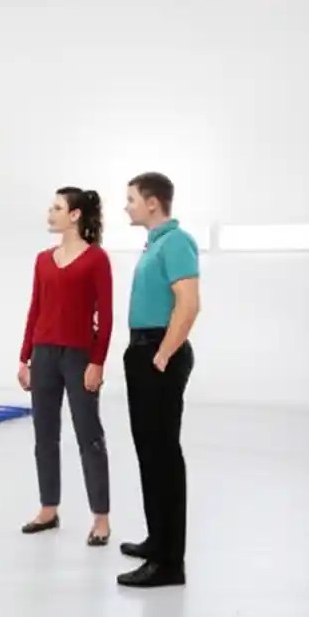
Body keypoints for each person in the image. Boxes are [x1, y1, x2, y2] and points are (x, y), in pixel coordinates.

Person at [17, 187, 114, 547]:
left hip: (79, 357)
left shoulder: (96, 259)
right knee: (45, 435)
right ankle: (48, 508)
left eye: (56, 207)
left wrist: (97, 362)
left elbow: (105, 317)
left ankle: (100, 518)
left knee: (89, 436)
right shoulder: (43, 259)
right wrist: (24, 357)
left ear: (74, 215)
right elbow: (35, 309)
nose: (50, 212)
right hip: (43, 355)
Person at [117, 171, 200, 588]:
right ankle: (158, 542)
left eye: (131, 198)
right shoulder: (154, 244)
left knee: (163, 457)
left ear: (153, 202)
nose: (126, 205)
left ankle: (169, 563)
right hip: (144, 351)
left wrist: (163, 356)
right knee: (149, 453)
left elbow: (188, 305)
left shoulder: (176, 242)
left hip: (157, 353)